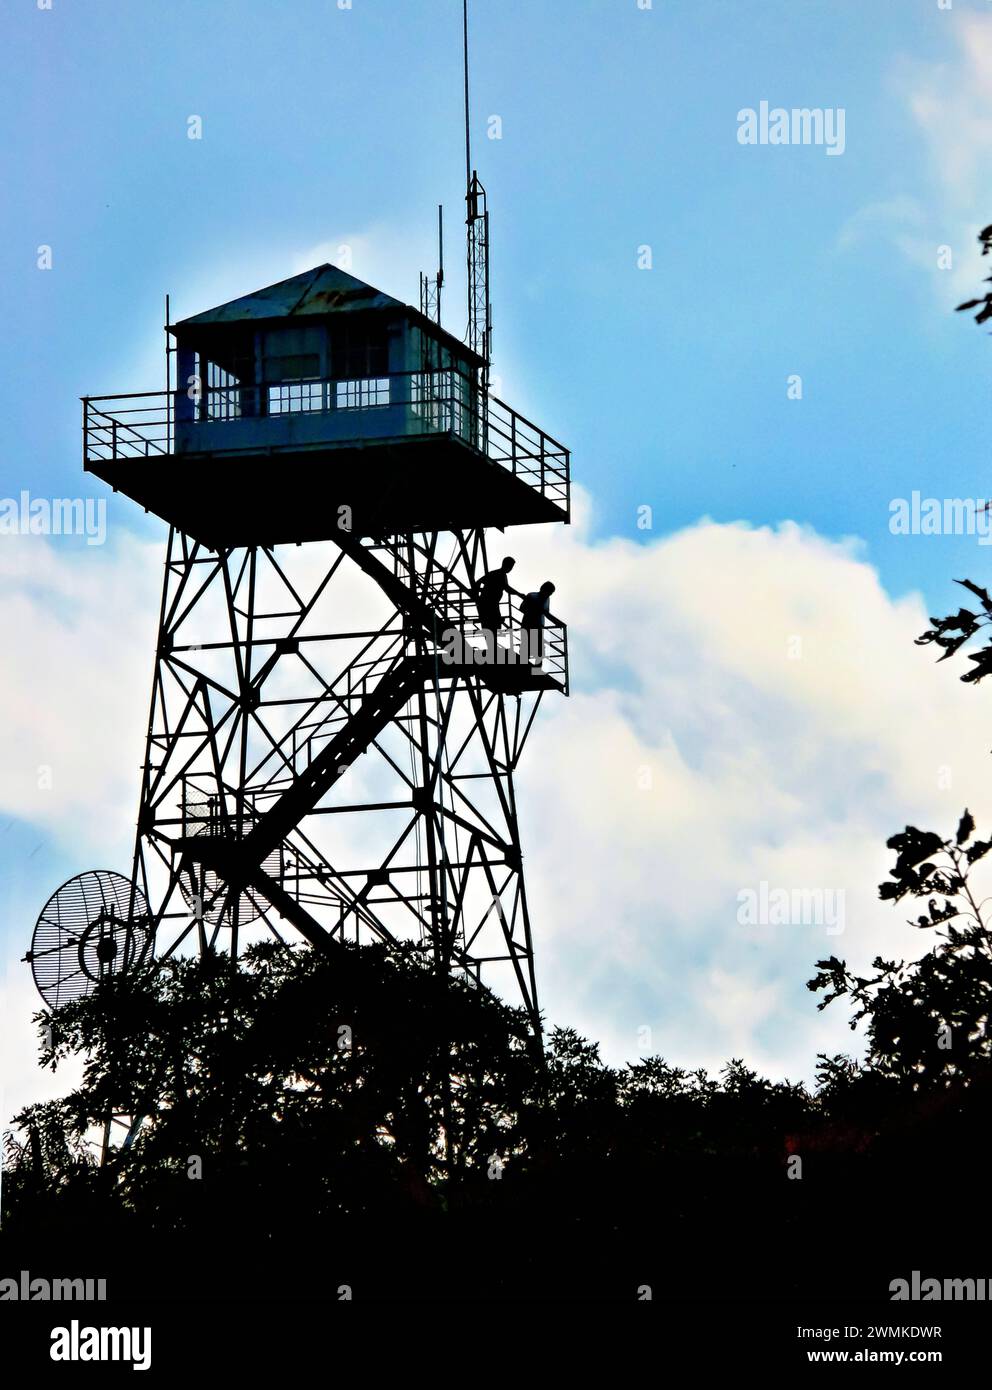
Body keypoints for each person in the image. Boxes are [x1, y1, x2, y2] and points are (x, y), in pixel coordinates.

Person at [475, 557, 516, 658]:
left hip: (488, 603)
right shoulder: (501, 574)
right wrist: (520, 594)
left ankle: (492, 648)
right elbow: (507, 589)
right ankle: (492, 649)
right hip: (490, 604)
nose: (511, 569)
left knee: (491, 625)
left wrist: (479, 594)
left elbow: (479, 581)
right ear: (508, 566)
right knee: (493, 625)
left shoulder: (494, 573)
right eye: (511, 566)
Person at [519, 581, 556, 667]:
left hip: (539, 627)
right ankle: (524, 668)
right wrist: (534, 610)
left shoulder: (547, 599)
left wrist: (555, 621)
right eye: (549, 592)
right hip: (528, 625)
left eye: (550, 593)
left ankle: (537, 670)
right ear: (542, 589)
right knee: (526, 647)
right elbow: (522, 608)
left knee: (539, 651)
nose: (549, 595)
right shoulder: (531, 596)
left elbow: (546, 612)